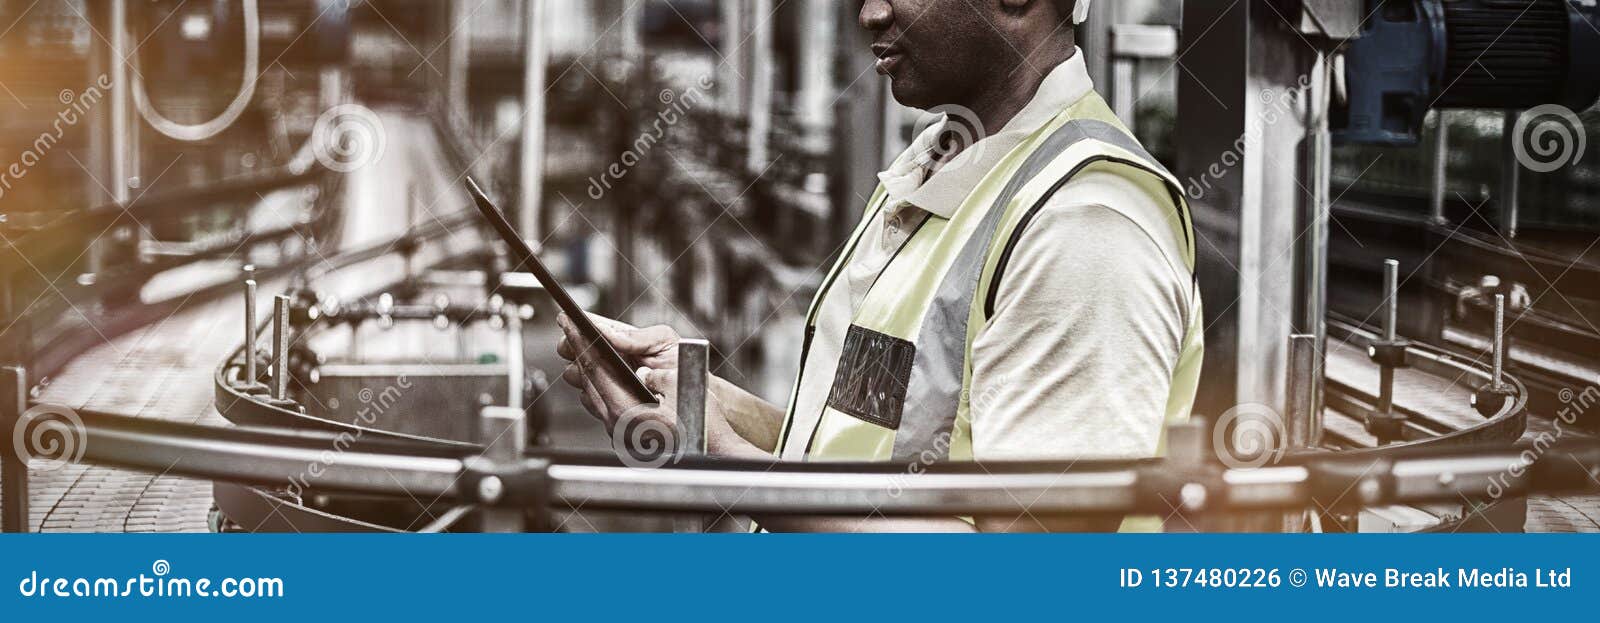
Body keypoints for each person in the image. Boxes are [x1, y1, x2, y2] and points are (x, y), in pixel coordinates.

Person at [556, 0, 1203, 532]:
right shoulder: (938, 163)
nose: (869, 13)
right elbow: (859, 457)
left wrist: (722, 460)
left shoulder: (1085, 224)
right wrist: (706, 404)